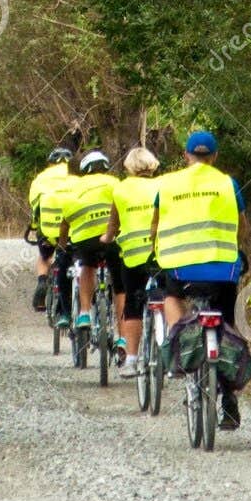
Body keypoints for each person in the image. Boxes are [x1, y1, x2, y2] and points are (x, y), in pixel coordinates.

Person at [151, 130, 246, 430]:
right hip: (223, 271)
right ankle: (229, 397)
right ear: (215, 157)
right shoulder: (228, 184)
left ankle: (180, 347)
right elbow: (242, 227)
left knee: (172, 297)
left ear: (186, 156)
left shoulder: (167, 184)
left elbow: (155, 226)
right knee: (228, 325)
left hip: (181, 269)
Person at [104, 146, 161, 377]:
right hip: (160, 254)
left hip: (133, 256)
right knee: (167, 296)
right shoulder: (163, 185)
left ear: (129, 167)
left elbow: (113, 225)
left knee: (132, 304)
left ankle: (132, 359)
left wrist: (106, 238)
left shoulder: (120, 189)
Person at [58, 148, 123, 343]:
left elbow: (65, 222)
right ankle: (122, 337)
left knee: (87, 265)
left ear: (85, 169)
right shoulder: (115, 183)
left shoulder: (75, 187)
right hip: (112, 240)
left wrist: (62, 246)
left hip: (85, 241)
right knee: (121, 288)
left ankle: (84, 312)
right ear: (105, 167)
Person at [26, 147, 73, 310]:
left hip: (47, 230)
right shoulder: (75, 177)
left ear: (50, 163)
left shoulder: (40, 179)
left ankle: (42, 281)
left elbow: (34, 205)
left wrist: (34, 225)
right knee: (74, 257)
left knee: (45, 257)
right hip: (72, 232)